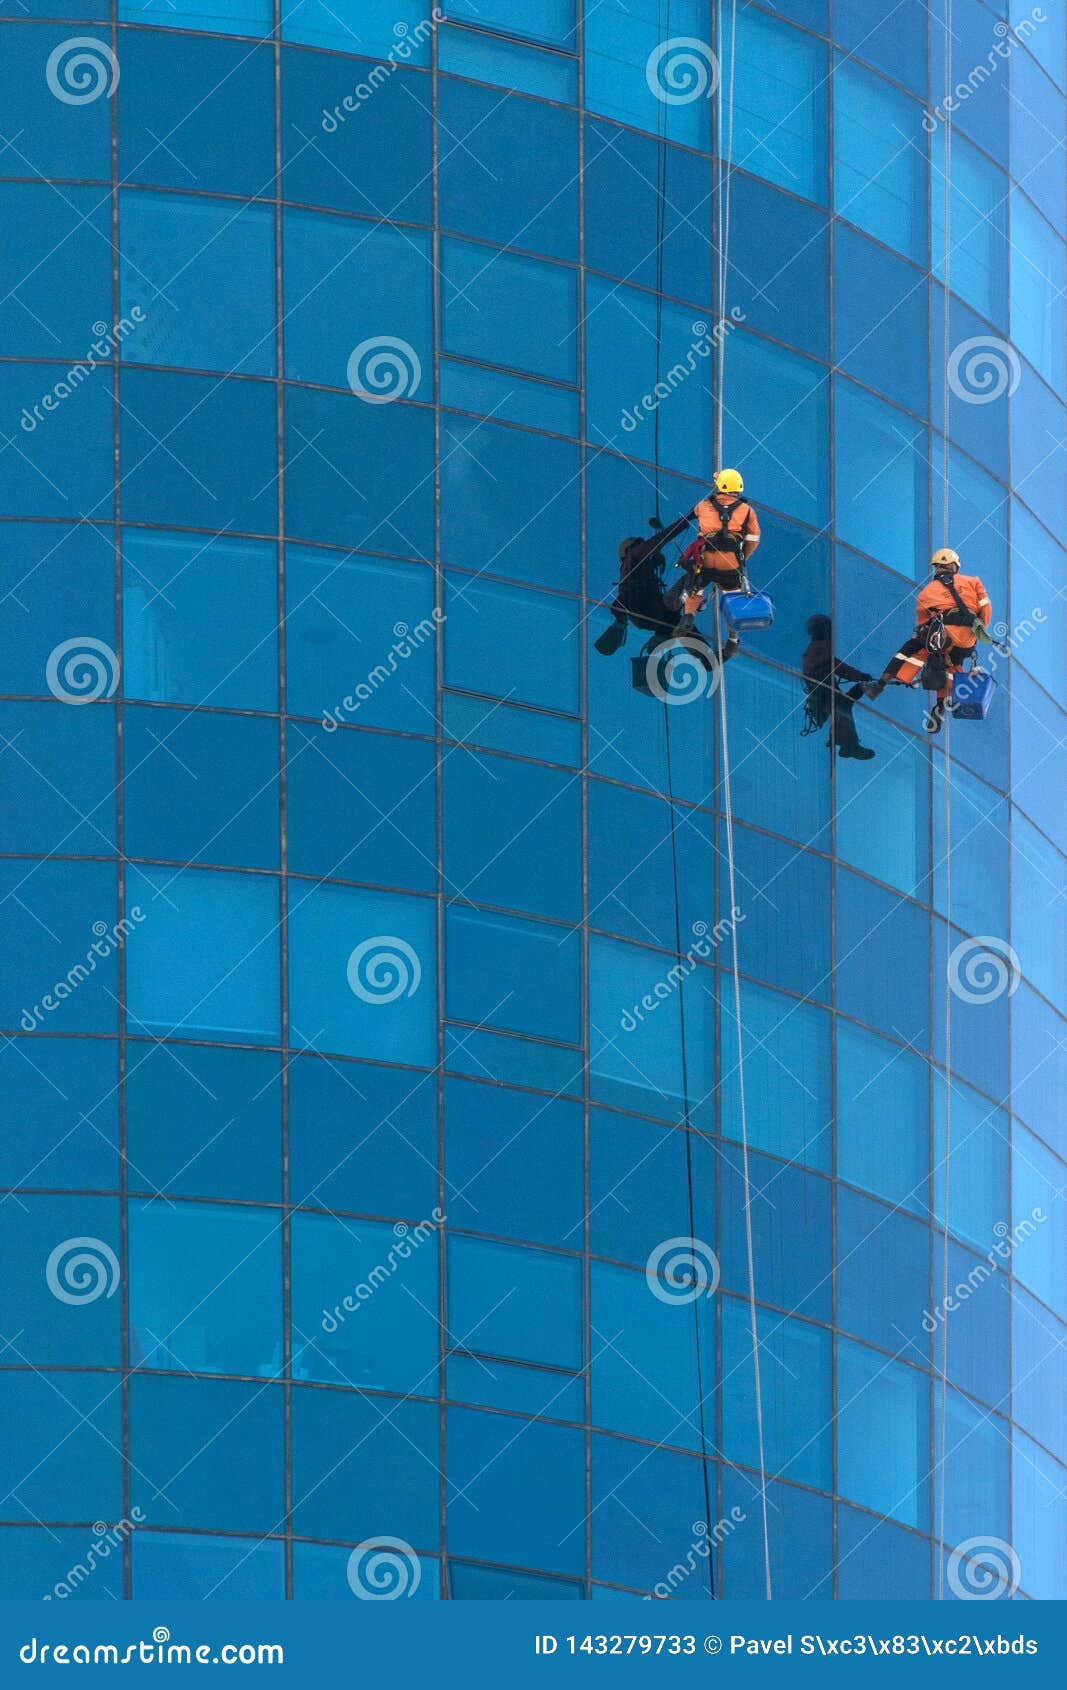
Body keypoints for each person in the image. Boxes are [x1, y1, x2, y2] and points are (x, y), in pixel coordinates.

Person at [864, 548, 992, 733]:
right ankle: (939, 710)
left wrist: (924, 639)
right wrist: (974, 632)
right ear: (953, 565)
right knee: (952, 668)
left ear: (938, 567)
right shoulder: (974, 582)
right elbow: (986, 610)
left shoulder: (927, 592)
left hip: (943, 636)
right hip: (967, 640)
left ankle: (879, 685)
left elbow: (923, 624)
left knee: (910, 649)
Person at [801, 615, 876, 760]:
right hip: (824, 692)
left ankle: (846, 742)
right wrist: (860, 676)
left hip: (823, 692)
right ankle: (848, 744)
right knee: (843, 707)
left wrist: (860, 678)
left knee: (845, 705)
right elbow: (838, 667)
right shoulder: (820, 647)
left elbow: (833, 666)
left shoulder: (814, 649)